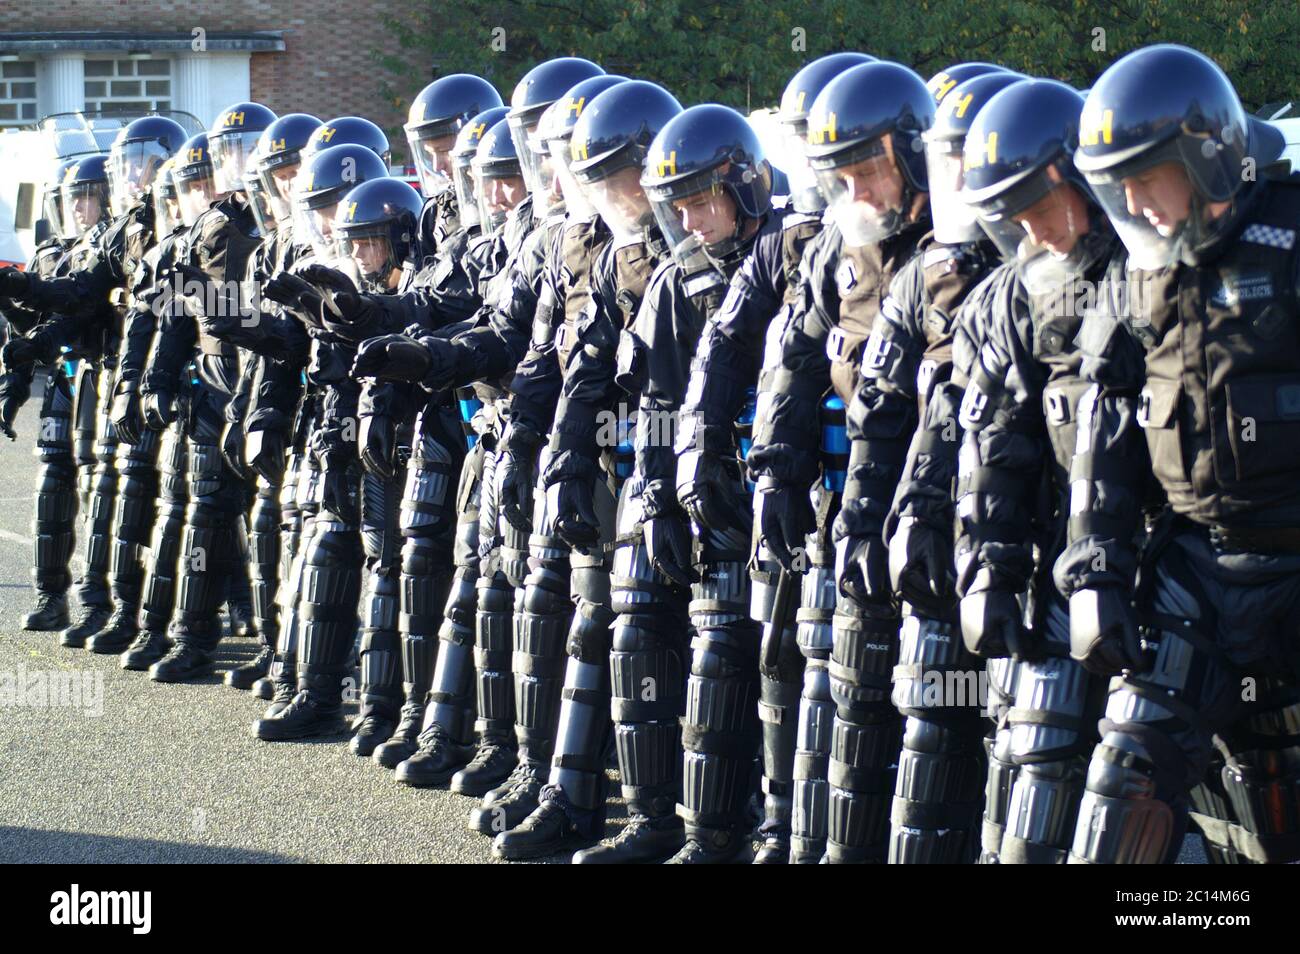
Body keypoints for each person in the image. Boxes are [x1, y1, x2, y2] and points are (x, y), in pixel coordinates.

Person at [1057, 43, 1300, 864]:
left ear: (1205, 157)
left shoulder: (1292, 237)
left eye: (1144, 175)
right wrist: (1093, 569)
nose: (1130, 202)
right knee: (1123, 784)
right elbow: (1104, 428)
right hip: (1196, 572)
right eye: (1112, 184)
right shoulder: (1133, 276)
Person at [748, 60, 934, 863]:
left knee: (944, 725)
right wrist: (775, 469)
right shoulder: (835, 250)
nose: (855, 190)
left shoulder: (962, 248)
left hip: (949, 509)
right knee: (840, 694)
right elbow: (785, 359)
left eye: (869, 169)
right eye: (841, 175)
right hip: (853, 501)